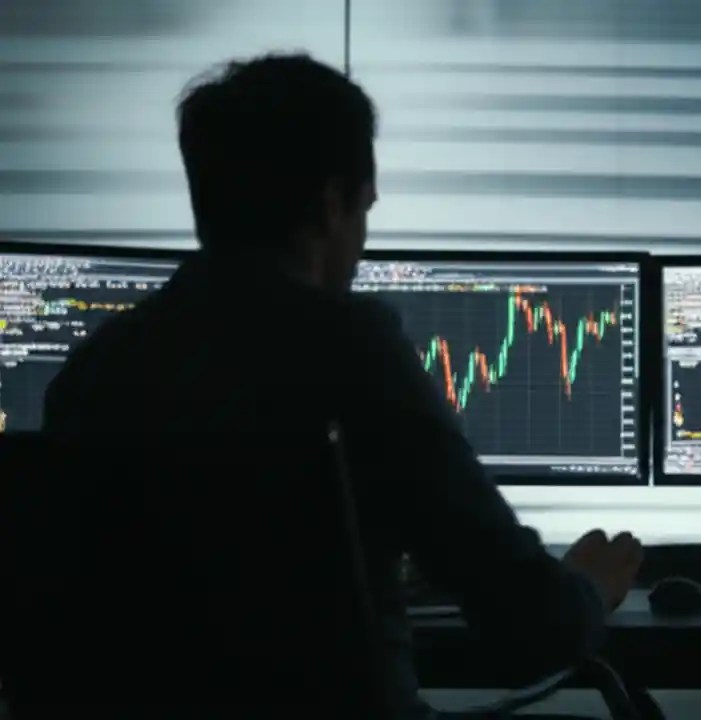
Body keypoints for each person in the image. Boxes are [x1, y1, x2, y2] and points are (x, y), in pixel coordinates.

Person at [41, 53, 643, 716]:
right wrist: (589, 587)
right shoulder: (351, 352)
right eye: (365, 209)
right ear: (332, 205)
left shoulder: (90, 375)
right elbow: (534, 629)